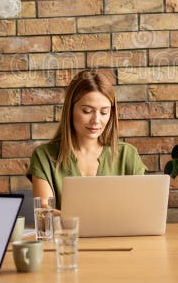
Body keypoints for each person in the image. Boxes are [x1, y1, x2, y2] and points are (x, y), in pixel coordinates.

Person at [27, 69, 146, 209]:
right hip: (67, 232)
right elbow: (45, 211)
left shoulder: (128, 155)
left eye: (104, 112)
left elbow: (141, 208)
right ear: (70, 110)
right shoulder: (44, 156)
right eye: (87, 111)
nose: (96, 120)